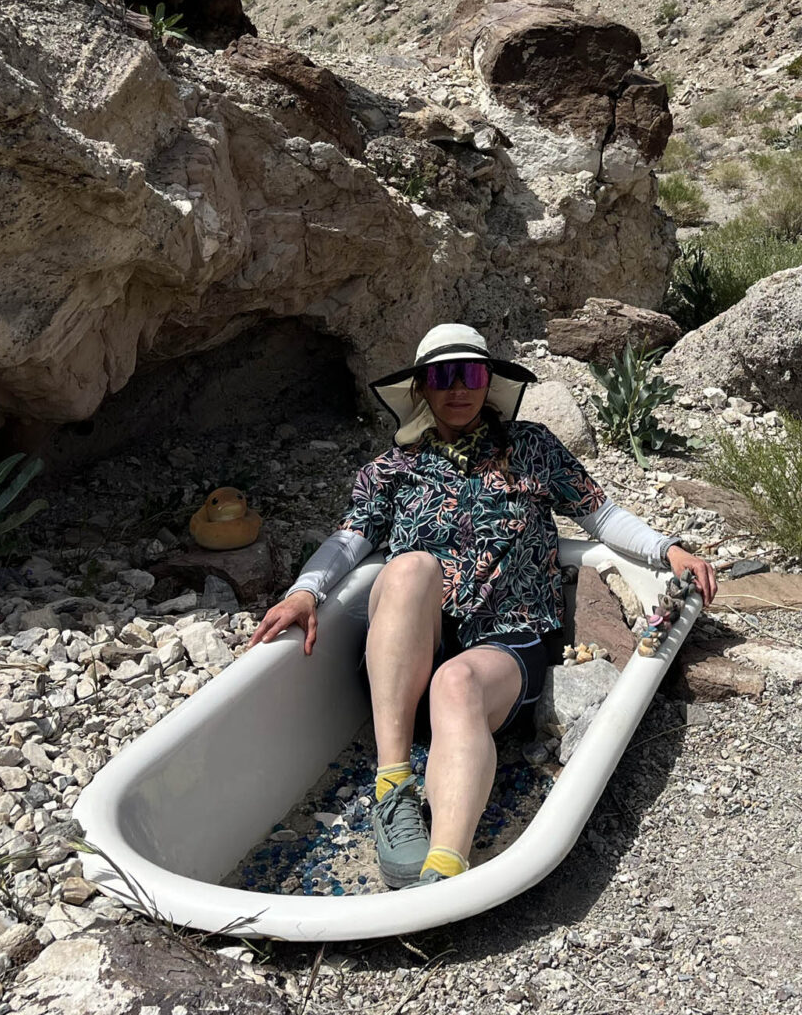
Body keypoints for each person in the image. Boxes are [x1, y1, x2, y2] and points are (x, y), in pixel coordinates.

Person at [250, 323, 716, 889]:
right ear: (421, 388)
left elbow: (600, 514)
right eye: (441, 376)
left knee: (456, 683)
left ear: (488, 381)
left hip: (505, 649)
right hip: (409, 667)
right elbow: (350, 539)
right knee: (408, 567)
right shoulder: (390, 471)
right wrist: (305, 591)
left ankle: (443, 871)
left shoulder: (532, 448)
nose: (457, 389)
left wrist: (667, 549)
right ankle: (393, 788)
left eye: (469, 373)